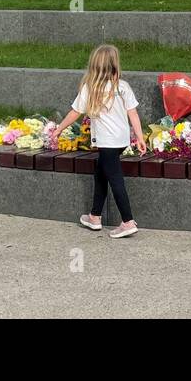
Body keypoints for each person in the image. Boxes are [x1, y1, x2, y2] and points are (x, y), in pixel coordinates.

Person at [56, 43, 147, 239]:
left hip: (107, 142)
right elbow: (133, 113)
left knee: (115, 180)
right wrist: (139, 137)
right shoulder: (122, 87)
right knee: (101, 174)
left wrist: (59, 129)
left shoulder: (91, 88)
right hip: (121, 140)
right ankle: (95, 216)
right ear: (115, 65)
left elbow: (75, 112)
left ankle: (128, 221)